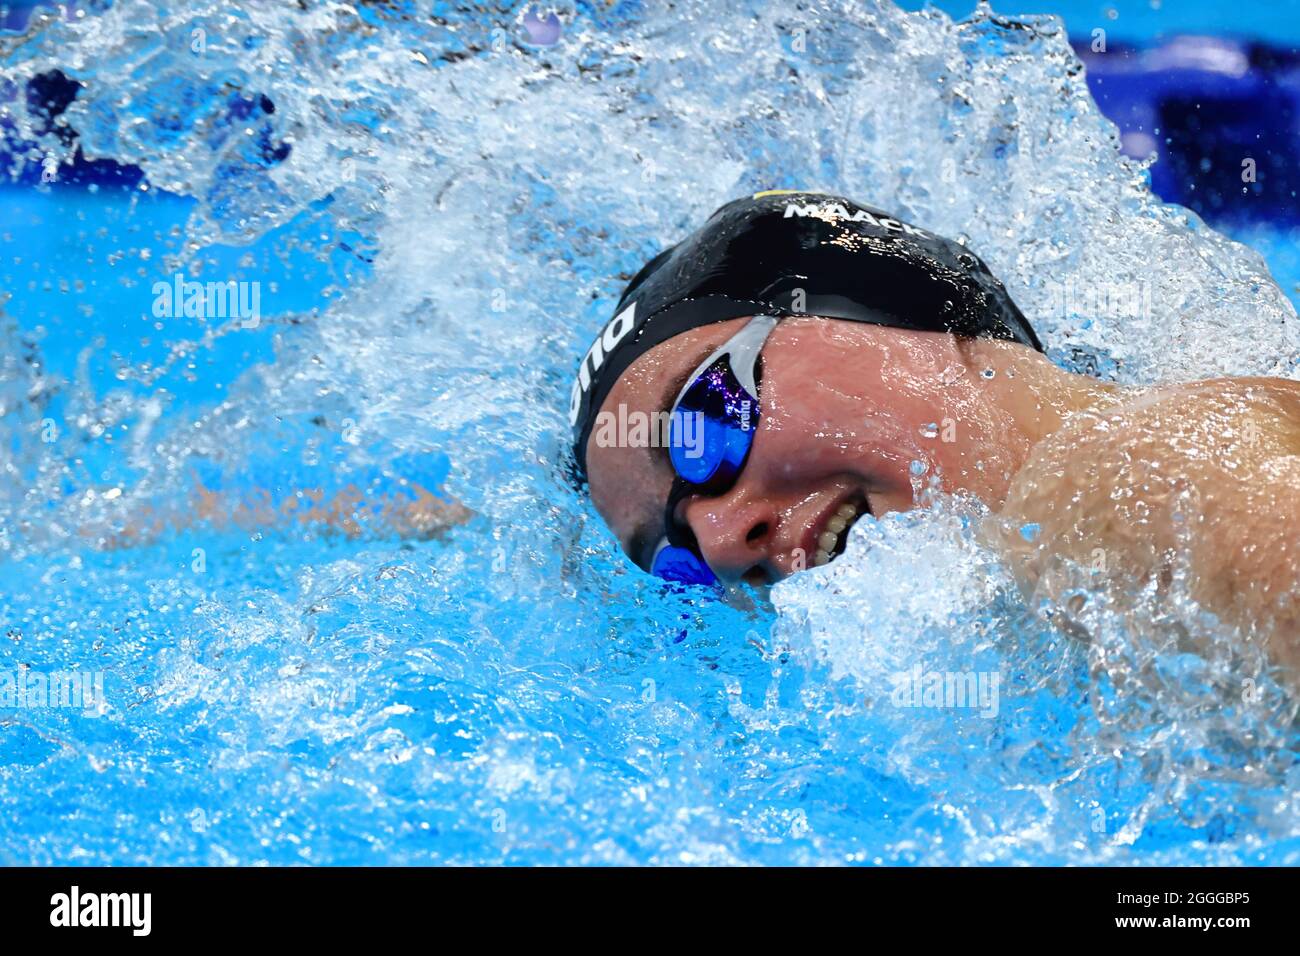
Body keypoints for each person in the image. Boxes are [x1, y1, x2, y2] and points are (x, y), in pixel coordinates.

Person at [571, 191, 1300, 670]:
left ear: (879, 304)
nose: (724, 544)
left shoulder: (1119, 474)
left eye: (702, 425)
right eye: (678, 558)